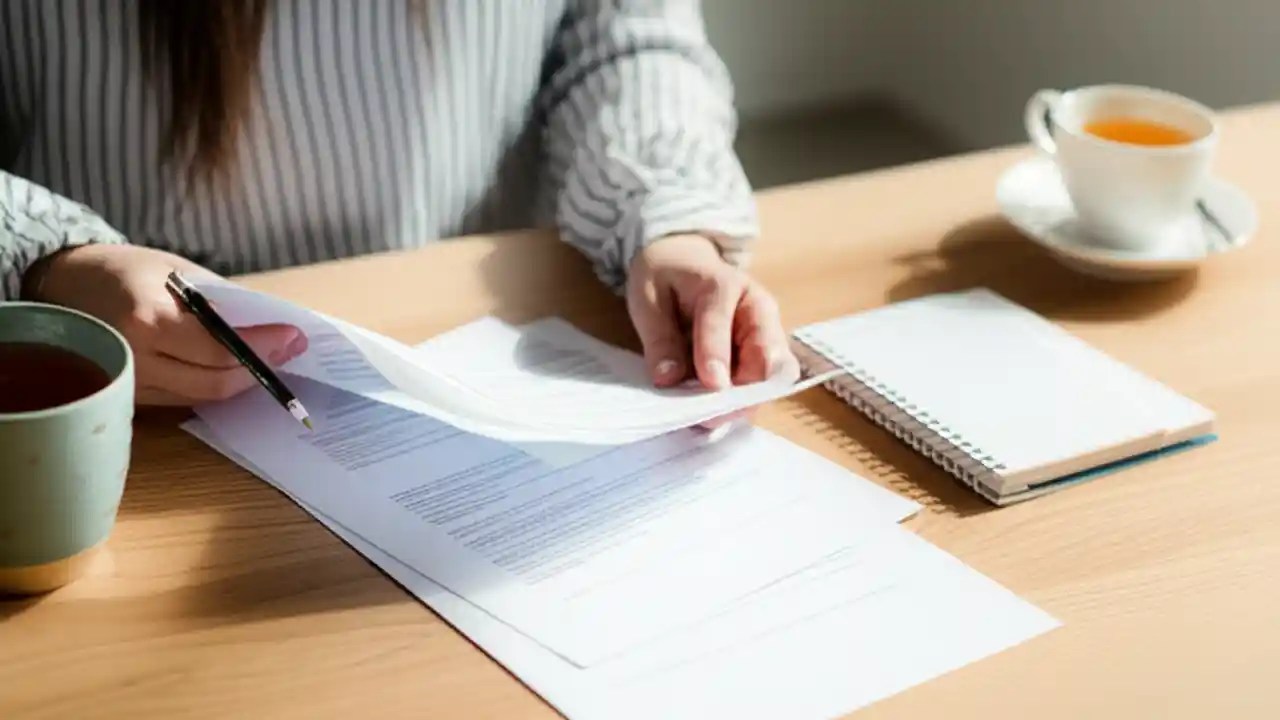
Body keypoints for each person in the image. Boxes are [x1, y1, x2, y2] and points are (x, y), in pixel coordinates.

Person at [0, 1, 791, 407]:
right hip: (104, 389)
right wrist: (50, 265)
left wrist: (667, 223)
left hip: (458, 354)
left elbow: (622, 34)